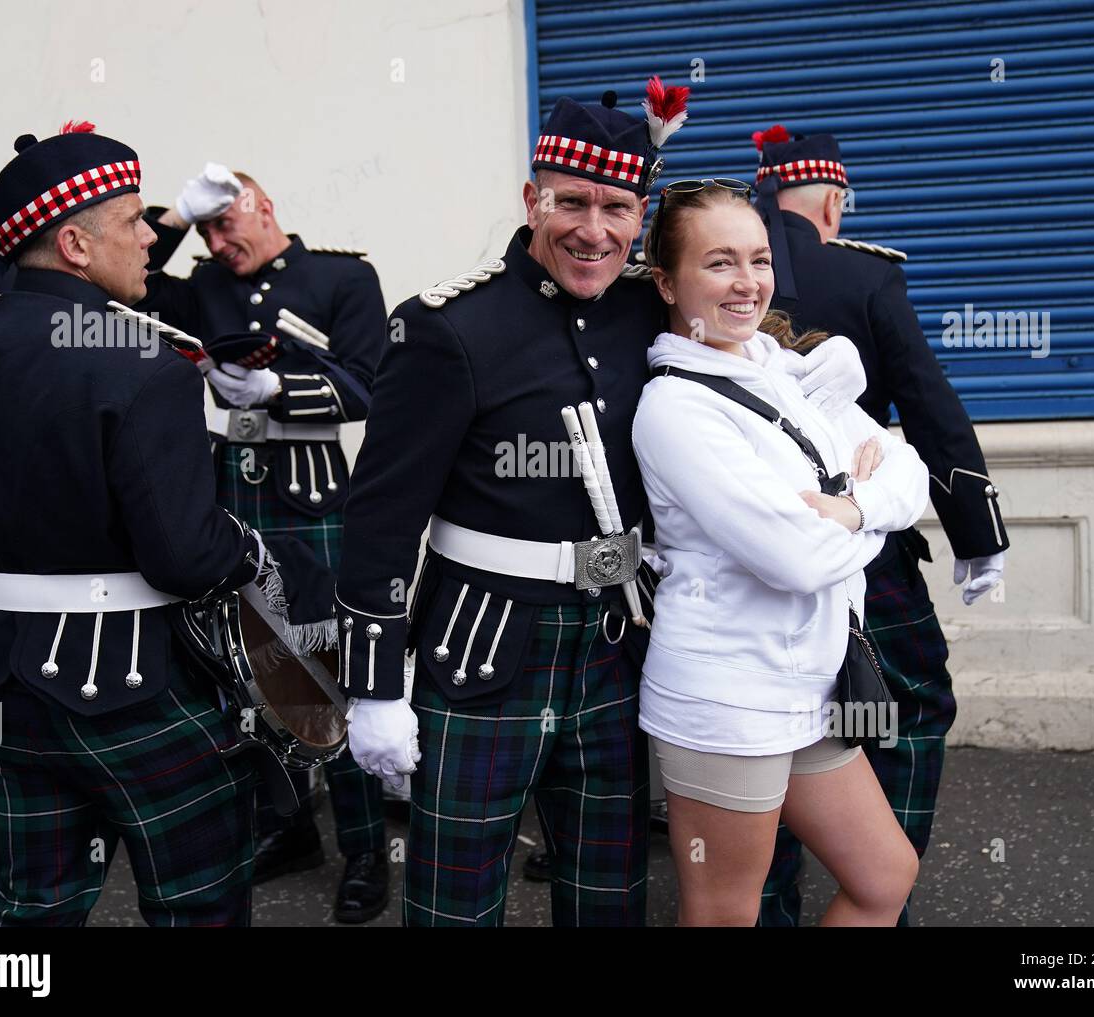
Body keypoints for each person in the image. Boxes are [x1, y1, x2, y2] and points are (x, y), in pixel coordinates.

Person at [332, 78, 866, 925]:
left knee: (608, 898)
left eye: (617, 207)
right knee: (455, 901)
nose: (594, 228)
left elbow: (733, 322)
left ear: (641, 216)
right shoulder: (448, 328)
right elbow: (381, 518)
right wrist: (373, 687)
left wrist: (804, 359)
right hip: (481, 650)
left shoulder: (637, 307)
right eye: (571, 202)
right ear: (531, 200)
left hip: (617, 644)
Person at [0, 121, 270, 926]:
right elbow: (184, 555)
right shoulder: (143, 362)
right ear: (73, 243)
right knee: (199, 905)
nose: (150, 238)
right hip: (140, 684)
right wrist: (255, 555)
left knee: (29, 909)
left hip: (6, 679)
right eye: (135, 220)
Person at [631, 177, 929, 926]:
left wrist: (851, 507)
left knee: (884, 875)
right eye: (720, 262)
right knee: (725, 911)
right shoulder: (676, 407)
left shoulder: (781, 370)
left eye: (759, 259)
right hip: (728, 696)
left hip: (811, 685)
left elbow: (907, 466)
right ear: (667, 281)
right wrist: (864, 520)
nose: (747, 282)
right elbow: (792, 557)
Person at [750, 126, 1009, 926]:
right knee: (911, 705)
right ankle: (877, 893)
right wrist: (978, 533)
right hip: (864, 545)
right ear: (833, 202)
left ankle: (770, 905)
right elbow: (929, 408)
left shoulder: (693, 267)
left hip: (739, 545)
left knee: (767, 730)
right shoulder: (864, 275)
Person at [137, 167, 390, 921]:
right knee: (247, 675)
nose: (219, 242)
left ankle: (368, 846)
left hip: (309, 496)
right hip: (227, 499)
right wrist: (176, 215)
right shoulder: (200, 284)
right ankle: (291, 827)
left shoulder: (341, 277)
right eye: (205, 229)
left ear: (264, 205)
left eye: (225, 223)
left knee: (327, 672)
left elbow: (373, 384)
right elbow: (134, 283)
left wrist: (280, 391)